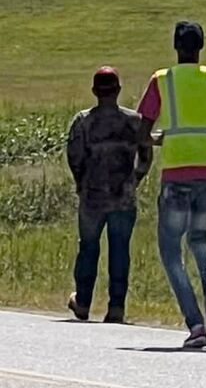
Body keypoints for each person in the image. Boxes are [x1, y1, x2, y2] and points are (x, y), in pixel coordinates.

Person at [138, 21, 206, 349]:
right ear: (201, 47)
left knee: (171, 251)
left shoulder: (163, 81)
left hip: (177, 172)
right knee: (200, 238)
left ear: (176, 46)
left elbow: (142, 130)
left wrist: (161, 140)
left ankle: (196, 323)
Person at [66, 67, 153, 323]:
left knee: (88, 248)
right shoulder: (134, 121)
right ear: (118, 90)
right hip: (123, 197)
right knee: (120, 250)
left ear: (94, 91)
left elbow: (74, 157)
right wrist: (134, 179)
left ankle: (83, 301)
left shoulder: (83, 121)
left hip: (92, 197)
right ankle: (116, 307)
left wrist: (81, 181)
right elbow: (146, 157)